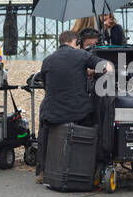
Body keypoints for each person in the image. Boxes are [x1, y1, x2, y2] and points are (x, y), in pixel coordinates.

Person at [34, 30, 113, 184]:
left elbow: (46, 84)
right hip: (78, 115)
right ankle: (92, 166)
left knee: (44, 113)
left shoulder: (48, 60)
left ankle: (42, 171)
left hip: (52, 115)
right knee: (96, 115)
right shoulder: (82, 55)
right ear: (76, 42)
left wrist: (84, 73)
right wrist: (93, 73)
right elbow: (106, 67)